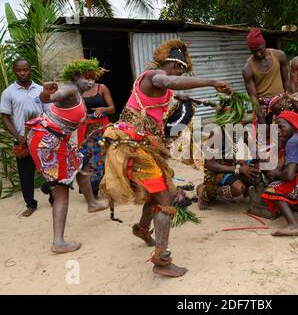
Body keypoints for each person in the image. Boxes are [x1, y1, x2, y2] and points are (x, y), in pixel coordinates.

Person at [99, 39, 232, 277]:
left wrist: (185, 101)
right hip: (132, 147)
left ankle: (142, 229)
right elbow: (168, 81)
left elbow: (163, 98)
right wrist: (211, 82)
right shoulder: (154, 76)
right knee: (165, 199)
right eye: (179, 68)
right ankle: (161, 260)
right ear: (169, 63)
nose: (180, 73)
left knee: (157, 193)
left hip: (146, 147)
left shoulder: (163, 88)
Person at [25, 58, 109, 253]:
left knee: (81, 162)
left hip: (54, 139)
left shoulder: (78, 92)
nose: (90, 82)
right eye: (86, 78)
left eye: (92, 78)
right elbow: (49, 98)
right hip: (46, 143)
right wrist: (46, 92)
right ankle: (58, 242)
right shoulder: (69, 90)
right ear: (75, 76)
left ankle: (92, 203)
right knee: (60, 190)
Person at [1, 58, 51, 217]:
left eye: (25, 69)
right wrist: (17, 136)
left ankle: (54, 198)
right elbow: (6, 118)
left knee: (49, 169)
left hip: (42, 137)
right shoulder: (8, 92)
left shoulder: (41, 89)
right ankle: (31, 204)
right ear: (14, 71)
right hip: (22, 140)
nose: (22, 73)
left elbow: (48, 113)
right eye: (19, 70)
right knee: (25, 174)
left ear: (30, 69)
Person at [196, 127, 261, 210]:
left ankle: (257, 200)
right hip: (218, 170)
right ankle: (208, 192)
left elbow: (253, 150)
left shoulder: (239, 129)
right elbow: (209, 164)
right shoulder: (217, 134)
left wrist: (257, 161)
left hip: (234, 164)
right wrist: (238, 169)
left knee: (255, 169)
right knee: (239, 188)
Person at [77, 59, 115, 196]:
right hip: (86, 132)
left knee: (104, 157)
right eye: (82, 74)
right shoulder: (78, 91)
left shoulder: (101, 88)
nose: (86, 76)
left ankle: (106, 186)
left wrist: (103, 109)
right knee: (88, 158)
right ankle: (92, 188)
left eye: (88, 74)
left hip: (102, 130)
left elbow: (112, 109)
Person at [243, 28, 289, 124]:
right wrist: (260, 117)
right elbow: (253, 96)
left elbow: (286, 81)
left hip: (281, 101)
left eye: (260, 50)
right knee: (264, 134)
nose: (258, 54)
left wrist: (287, 98)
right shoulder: (247, 69)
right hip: (262, 105)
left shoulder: (279, 55)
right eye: (254, 51)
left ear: (264, 44)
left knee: (285, 131)